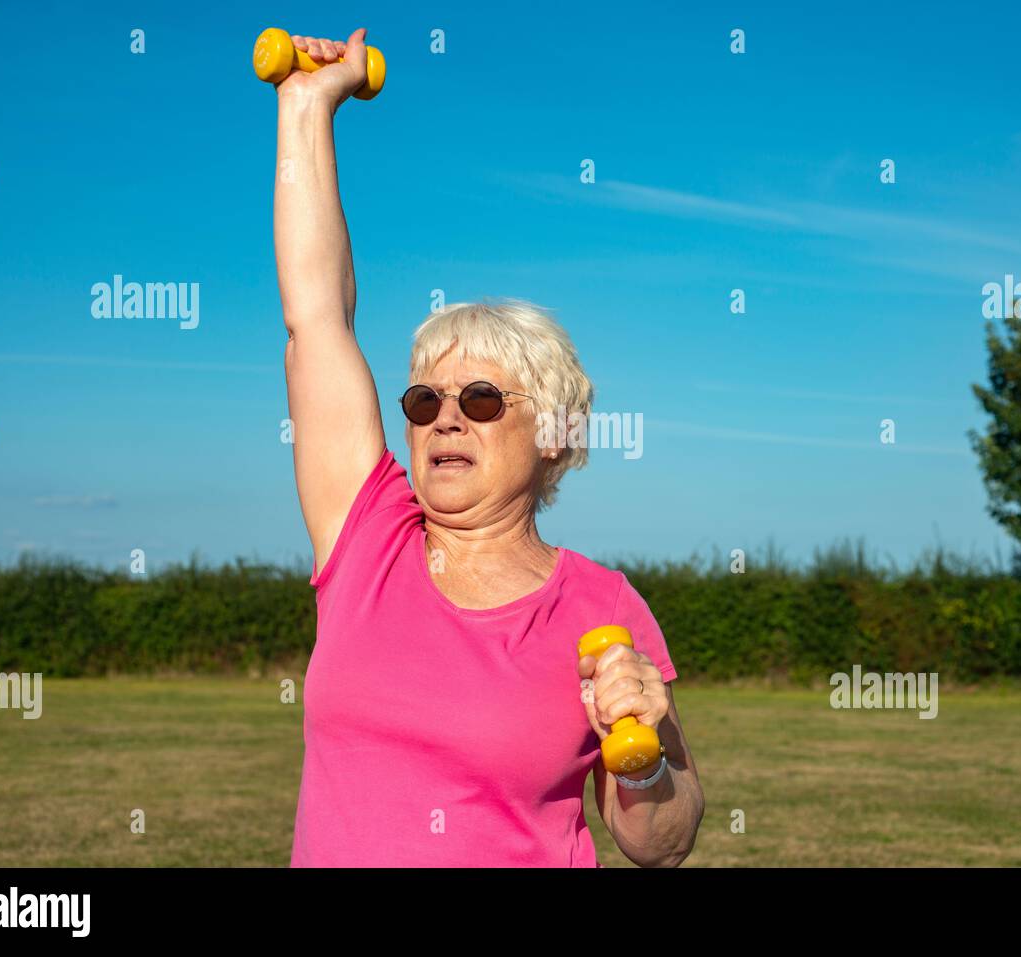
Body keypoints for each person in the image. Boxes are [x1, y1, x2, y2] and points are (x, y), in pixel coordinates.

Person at [271, 29, 704, 867]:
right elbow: (316, 317)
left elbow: (661, 843)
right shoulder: (369, 540)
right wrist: (306, 106)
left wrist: (650, 760)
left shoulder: (602, 608)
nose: (444, 419)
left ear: (551, 434)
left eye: (478, 399)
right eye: (424, 399)